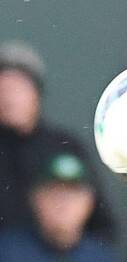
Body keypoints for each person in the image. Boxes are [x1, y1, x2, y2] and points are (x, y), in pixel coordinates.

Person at [0, 39, 114, 237]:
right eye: (3, 89)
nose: (9, 97)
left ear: (36, 93)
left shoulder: (64, 146)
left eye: (18, 88)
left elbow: (102, 226)